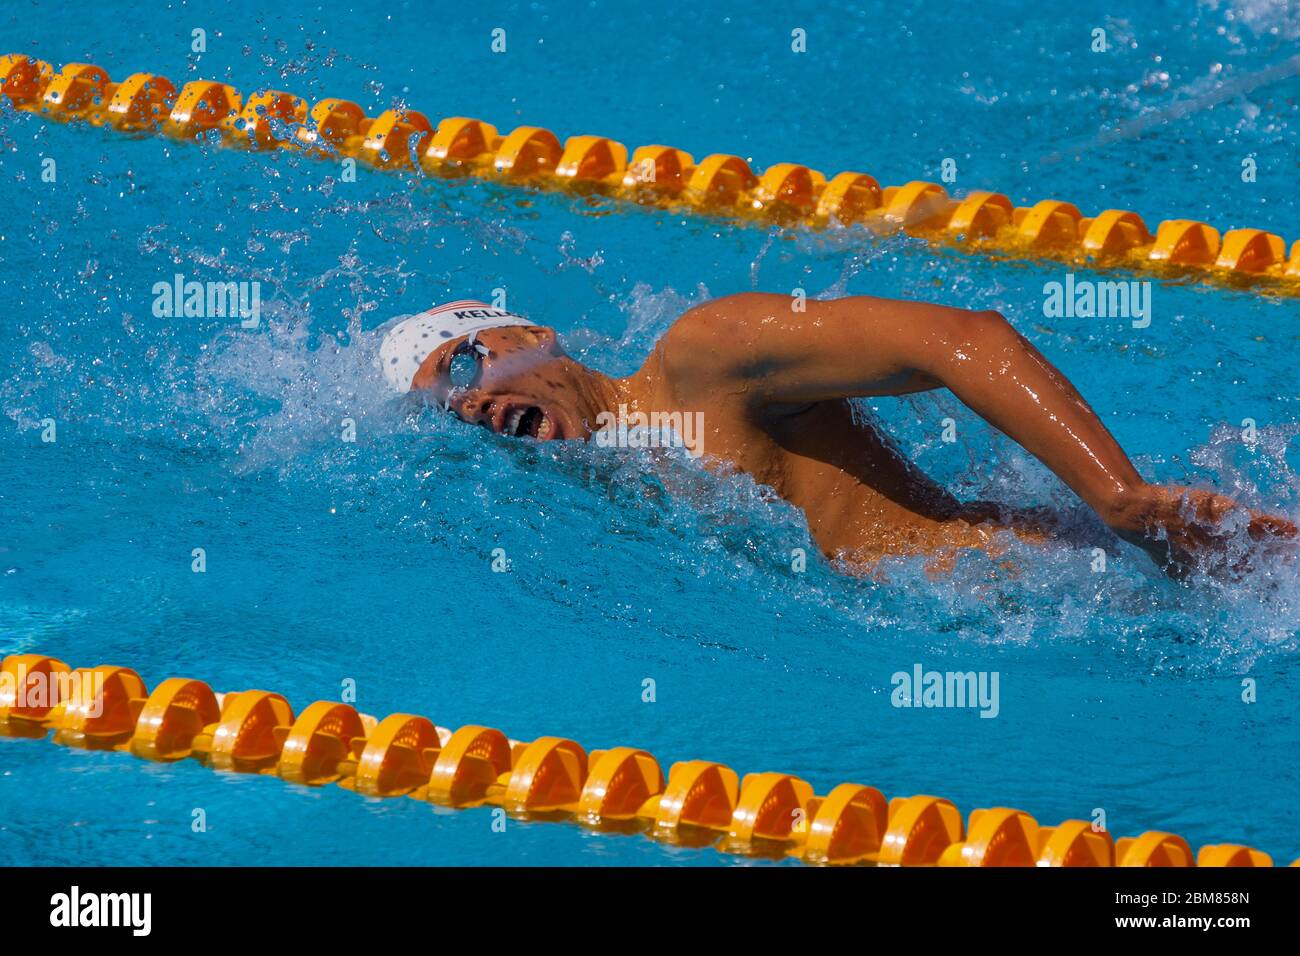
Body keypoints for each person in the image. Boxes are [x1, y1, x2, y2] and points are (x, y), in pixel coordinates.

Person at [379, 295, 1296, 575]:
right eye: (442, 411)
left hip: (1100, 578)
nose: (466, 407)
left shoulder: (702, 358)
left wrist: (1121, 499)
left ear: (533, 336)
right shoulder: (614, 488)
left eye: (462, 367)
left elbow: (963, 340)